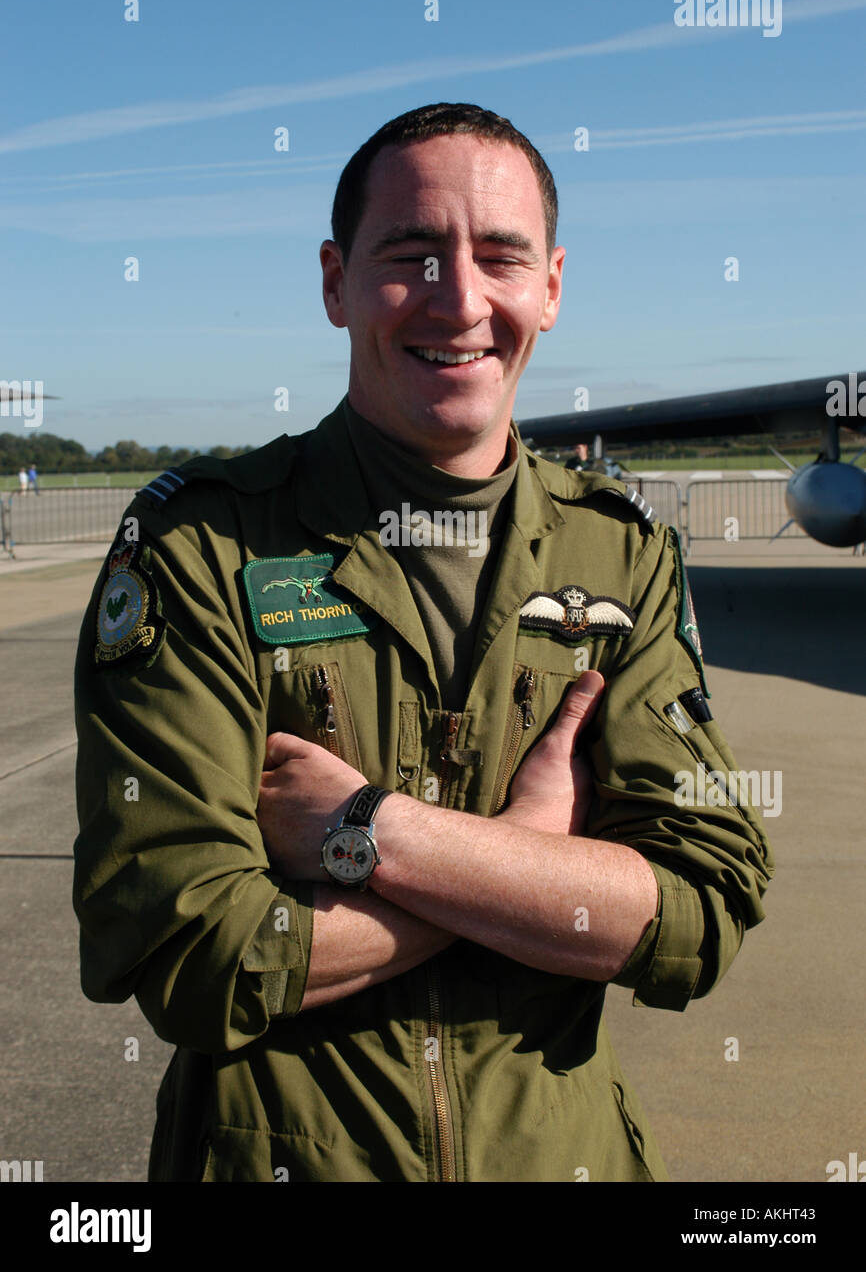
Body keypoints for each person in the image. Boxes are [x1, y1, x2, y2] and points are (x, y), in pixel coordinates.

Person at [73, 103, 773, 1183]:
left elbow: (701, 909)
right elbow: (184, 951)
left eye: (500, 256)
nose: (460, 298)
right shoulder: (201, 548)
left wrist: (375, 831)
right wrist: (530, 859)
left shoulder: (621, 554)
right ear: (334, 282)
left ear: (549, 286)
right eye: (410, 255)